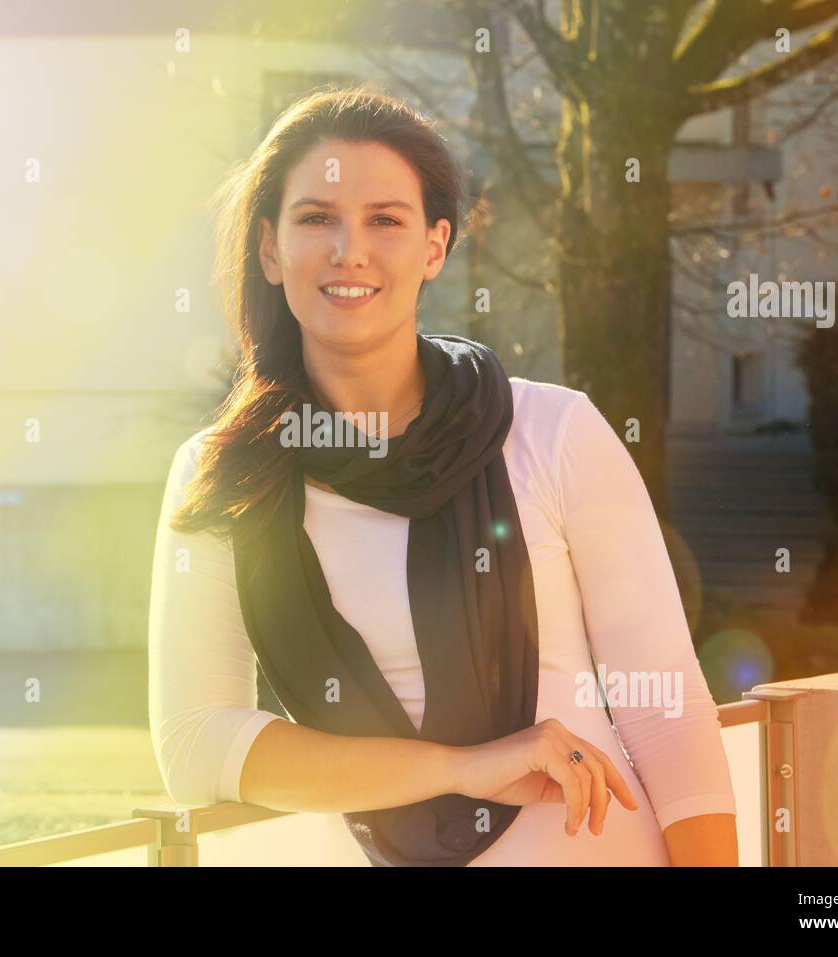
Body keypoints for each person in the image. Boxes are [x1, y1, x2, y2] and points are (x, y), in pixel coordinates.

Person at [148, 86, 736, 866]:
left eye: (385, 220)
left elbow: (666, 706)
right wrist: (468, 766)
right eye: (316, 217)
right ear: (268, 248)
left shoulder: (555, 433)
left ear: (435, 246)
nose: (347, 249)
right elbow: (197, 744)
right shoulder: (224, 475)